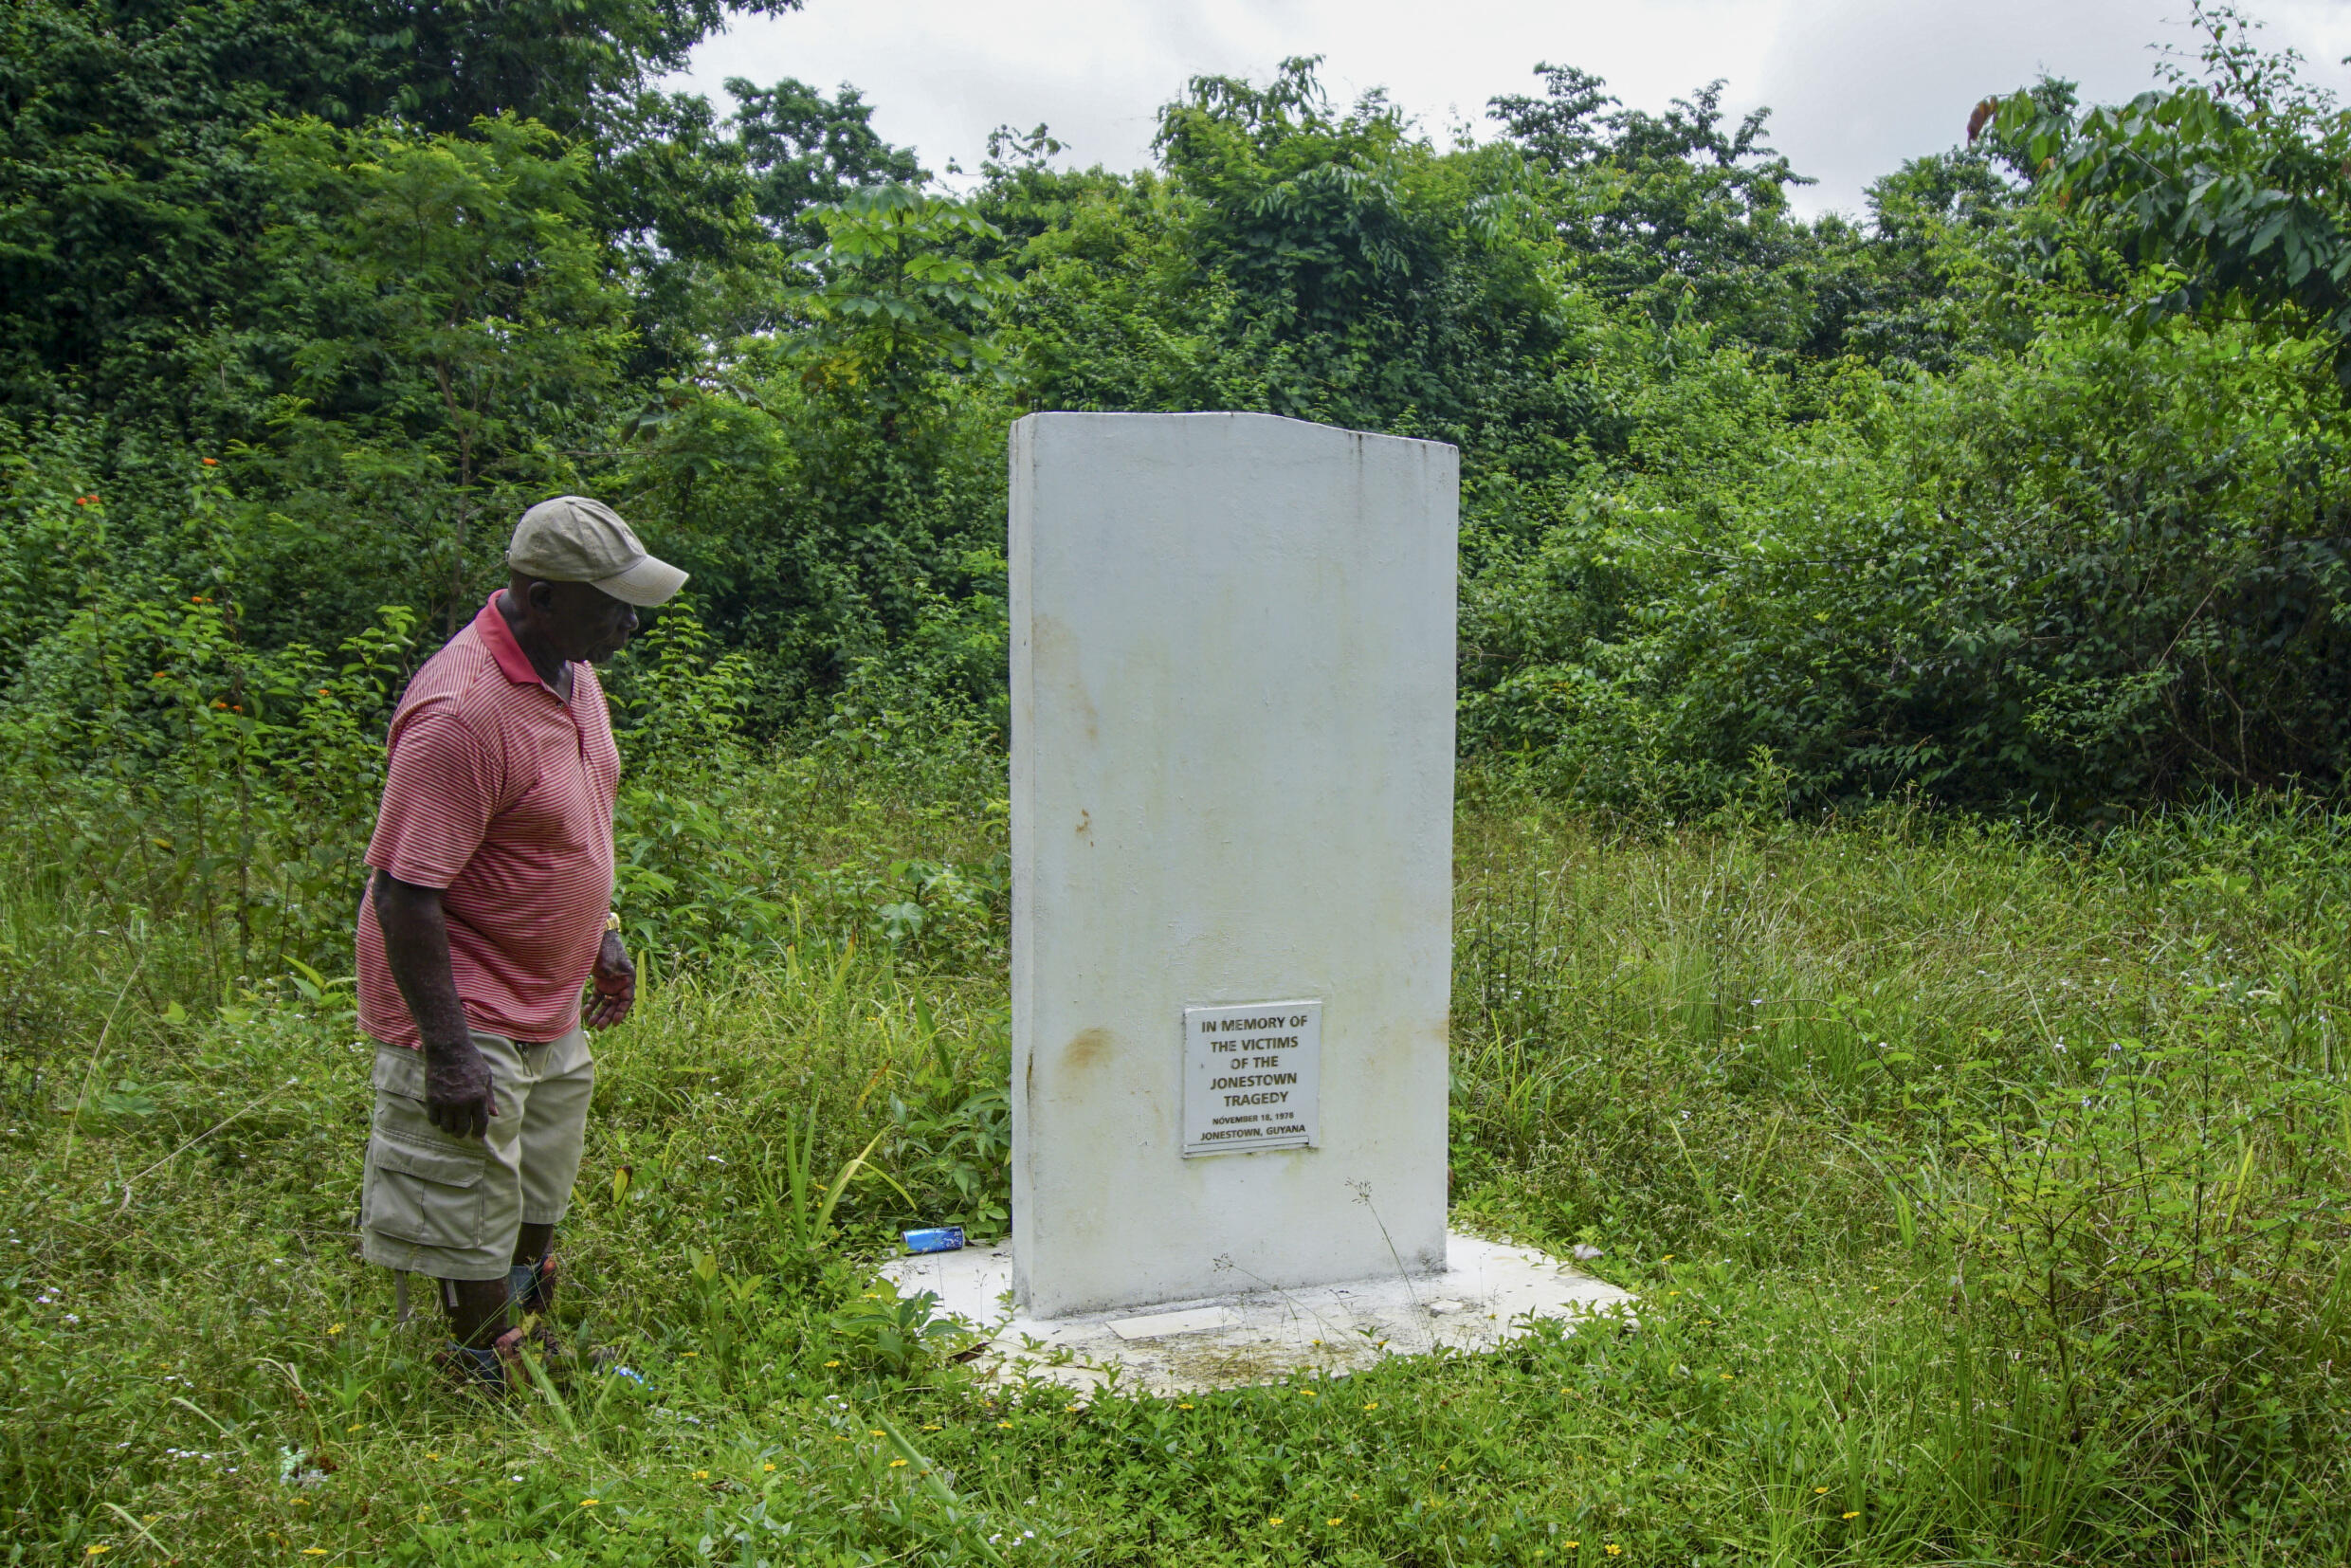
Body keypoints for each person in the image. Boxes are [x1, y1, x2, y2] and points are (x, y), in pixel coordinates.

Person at [355, 496, 685, 1388]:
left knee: (541, 1178)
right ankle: (482, 1367)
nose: (630, 620)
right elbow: (404, 892)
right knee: (472, 1190)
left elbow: (570, 828)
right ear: (541, 597)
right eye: (611, 602)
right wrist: (448, 1049)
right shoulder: (462, 712)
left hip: (548, 992)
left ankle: (527, 1336)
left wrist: (602, 934)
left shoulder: (573, 671)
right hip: (467, 998)